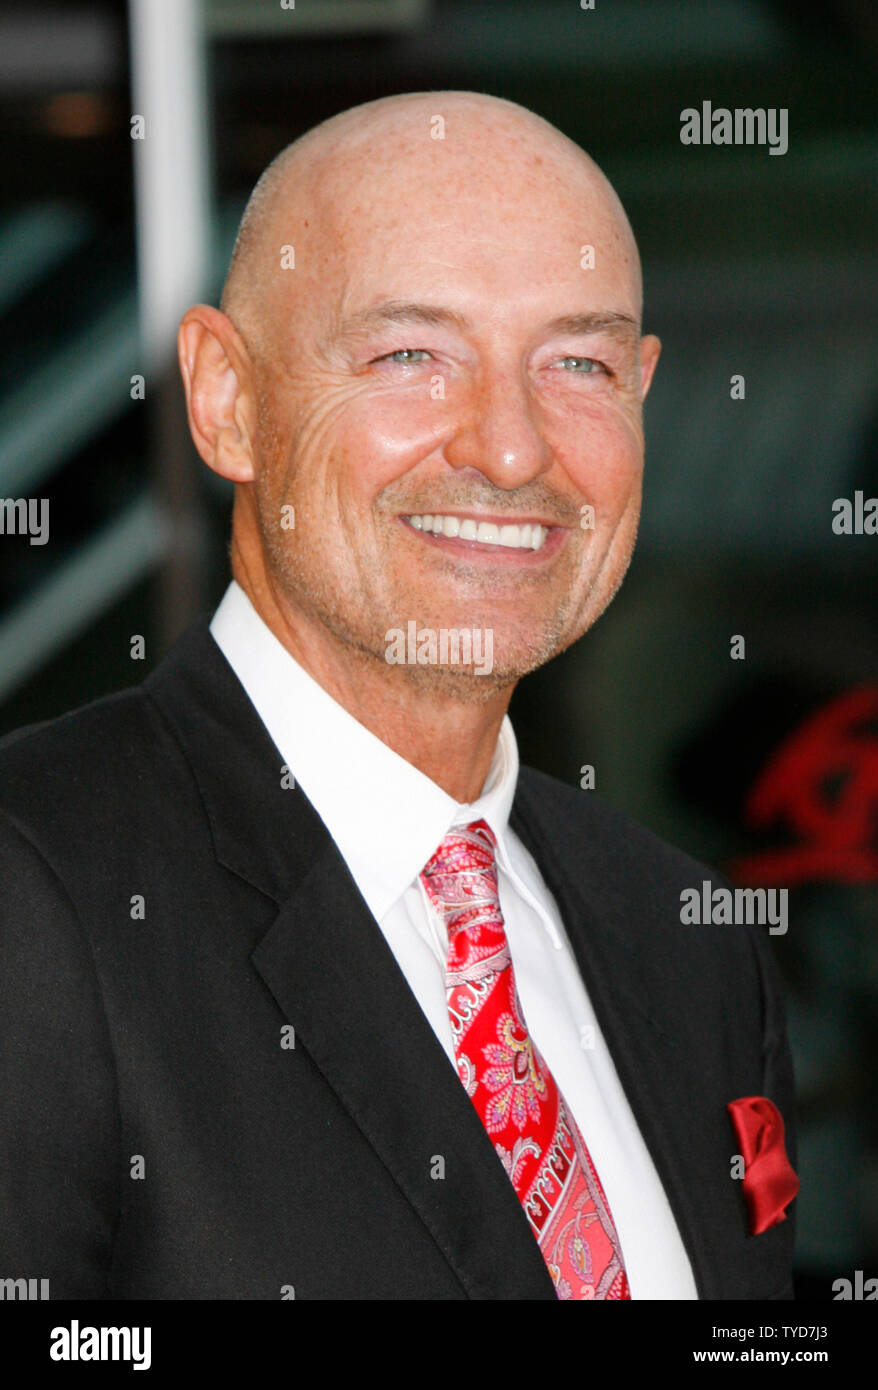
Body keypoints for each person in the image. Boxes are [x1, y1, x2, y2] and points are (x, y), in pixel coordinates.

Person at [0, 91, 798, 1301]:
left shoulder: (688, 945)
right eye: (410, 355)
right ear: (228, 399)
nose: (511, 447)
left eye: (575, 361)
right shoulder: (38, 894)